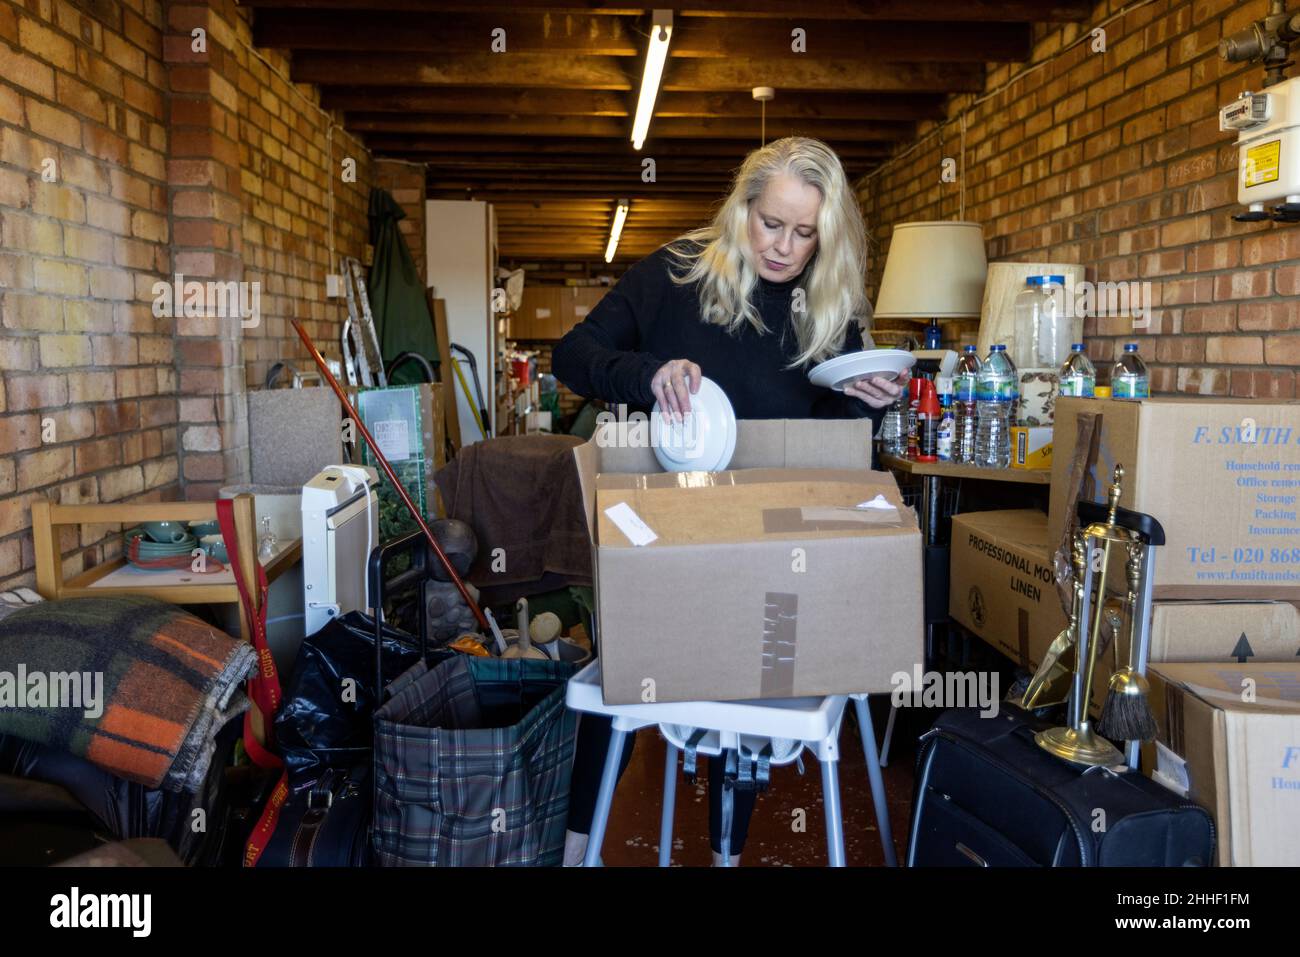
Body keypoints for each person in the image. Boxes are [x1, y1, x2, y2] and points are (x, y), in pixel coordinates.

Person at [552, 136, 908, 866]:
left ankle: (725, 853)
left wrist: (867, 405)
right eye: (770, 222)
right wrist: (647, 374)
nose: (783, 246)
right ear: (741, 206)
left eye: (805, 232)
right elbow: (573, 354)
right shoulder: (674, 275)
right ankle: (574, 848)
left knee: (747, 696)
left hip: (774, 547)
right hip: (665, 535)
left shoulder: (830, 311)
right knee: (618, 670)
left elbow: (832, 461)